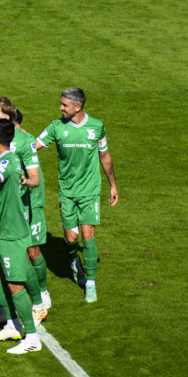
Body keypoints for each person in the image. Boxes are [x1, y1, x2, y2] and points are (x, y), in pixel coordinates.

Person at [34, 86, 117, 303]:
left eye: (64, 105)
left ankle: (90, 283)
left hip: (90, 190)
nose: (60, 108)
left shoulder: (96, 126)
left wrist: (113, 185)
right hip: (67, 192)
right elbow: (33, 146)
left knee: (87, 234)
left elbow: (105, 156)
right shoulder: (55, 127)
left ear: (77, 107)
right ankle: (73, 260)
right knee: (71, 238)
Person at [0, 117, 45, 354]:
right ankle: (12, 323)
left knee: (15, 285)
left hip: (10, 232)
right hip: (3, 230)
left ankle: (31, 338)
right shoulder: (8, 159)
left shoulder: (6, 162)